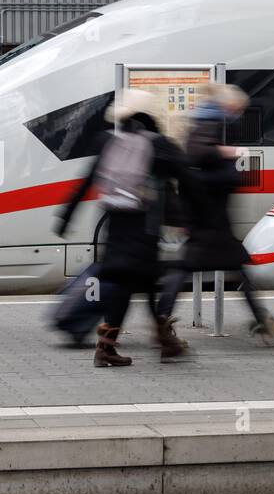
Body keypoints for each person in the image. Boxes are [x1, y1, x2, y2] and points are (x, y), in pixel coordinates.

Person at [53, 89, 186, 366]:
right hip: (143, 231)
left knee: (133, 285)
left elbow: (87, 181)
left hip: (115, 230)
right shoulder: (157, 144)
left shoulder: (109, 142)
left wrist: (66, 217)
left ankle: (121, 346)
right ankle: (154, 341)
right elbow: (183, 179)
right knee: (138, 284)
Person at [159, 83, 274, 341]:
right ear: (227, 106)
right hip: (209, 215)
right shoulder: (209, 122)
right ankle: (161, 321)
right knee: (195, 267)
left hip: (205, 214)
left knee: (217, 268)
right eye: (237, 109)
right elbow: (199, 156)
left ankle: (262, 321)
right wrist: (230, 158)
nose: (238, 114)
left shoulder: (204, 121)